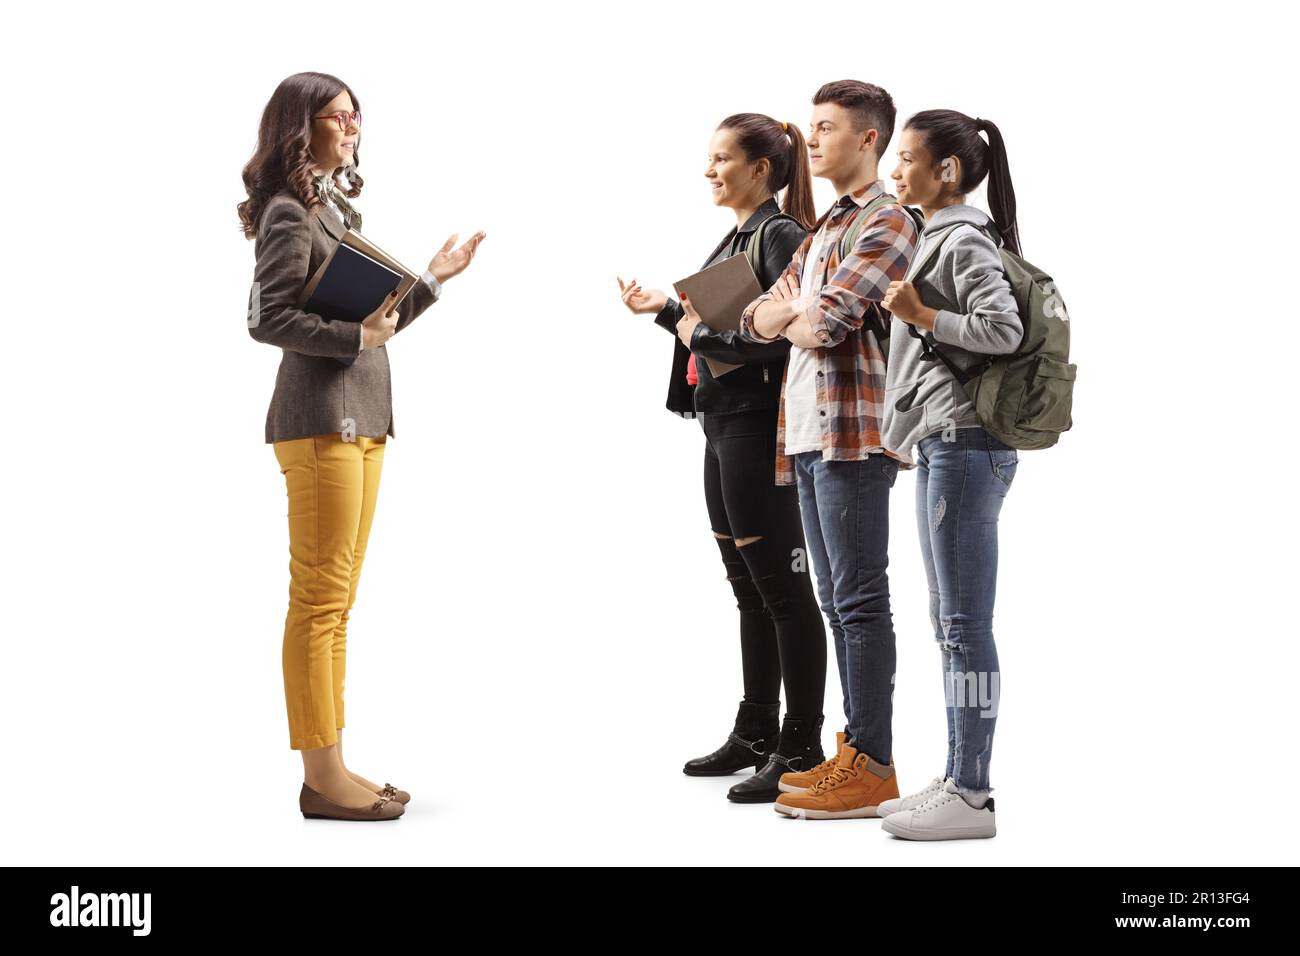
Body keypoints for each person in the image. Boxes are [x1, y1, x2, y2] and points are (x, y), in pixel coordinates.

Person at [238, 71, 485, 821]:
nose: (351, 126)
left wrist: (432, 282)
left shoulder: (327, 210)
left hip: (361, 419)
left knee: (335, 604)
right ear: (299, 127)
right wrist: (354, 333)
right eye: (336, 116)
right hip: (319, 421)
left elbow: (372, 323)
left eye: (355, 115)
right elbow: (266, 318)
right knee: (318, 602)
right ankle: (322, 777)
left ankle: (334, 766)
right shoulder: (289, 214)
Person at [618, 113, 831, 803]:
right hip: (722, 422)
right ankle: (757, 730)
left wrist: (690, 324)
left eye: (721, 159)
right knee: (747, 583)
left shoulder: (782, 236)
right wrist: (665, 312)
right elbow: (710, 333)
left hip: (759, 426)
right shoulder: (739, 236)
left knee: (781, 587)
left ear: (761, 170)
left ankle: (800, 743)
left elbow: (788, 339)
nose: (709, 171)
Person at [738, 80, 919, 820]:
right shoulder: (818, 234)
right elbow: (756, 316)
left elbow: (829, 324)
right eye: (811, 127)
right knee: (835, 604)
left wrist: (794, 314)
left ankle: (873, 762)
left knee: (859, 599)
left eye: (826, 128)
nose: (811, 142)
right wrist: (790, 314)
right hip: (805, 435)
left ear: (869, 138)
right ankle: (854, 753)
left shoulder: (890, 221)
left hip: (853, 435)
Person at [875, 109, 1023, 841]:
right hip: (945, 444)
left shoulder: (962, 239)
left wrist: (924, 314)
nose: (894, 171)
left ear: (949, 172)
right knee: (951, 623)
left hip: (967, 446)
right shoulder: (932, 236)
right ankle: (959, 775)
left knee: (965, 625)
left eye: (905, 159)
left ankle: (972, 792)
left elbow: (1004, 331)